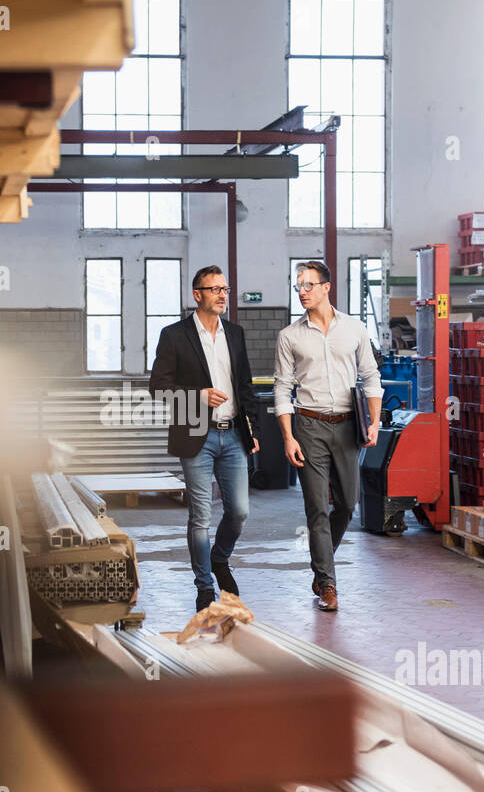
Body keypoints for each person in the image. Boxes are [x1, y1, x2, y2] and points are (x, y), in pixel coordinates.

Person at [273, 260, 382, 612]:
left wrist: (375, 422)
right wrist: (288, 437)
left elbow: (370, 376)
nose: (302, 291)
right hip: (308, 426)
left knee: (348, 504)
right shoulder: (289, 336)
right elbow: (282, 389)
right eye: (298, 286)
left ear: (326, 287)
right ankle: (328, 585)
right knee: (317, 508)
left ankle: (321, 568)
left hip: (348, 425)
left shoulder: (354, 329)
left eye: (308, 285)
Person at [150, 265, 260, 612]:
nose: (222, 295)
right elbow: (158, 389)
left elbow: (245, 387)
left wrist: (252, 428)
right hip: (196, 435)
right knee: (200, 517)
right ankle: (204, 587)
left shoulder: (236, 334)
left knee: (239, 512)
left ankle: (219, 558)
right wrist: (198, 394)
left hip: (233, 435)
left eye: (225, 288)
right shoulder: (174, 335)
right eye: (214, 289)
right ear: (197, 295)